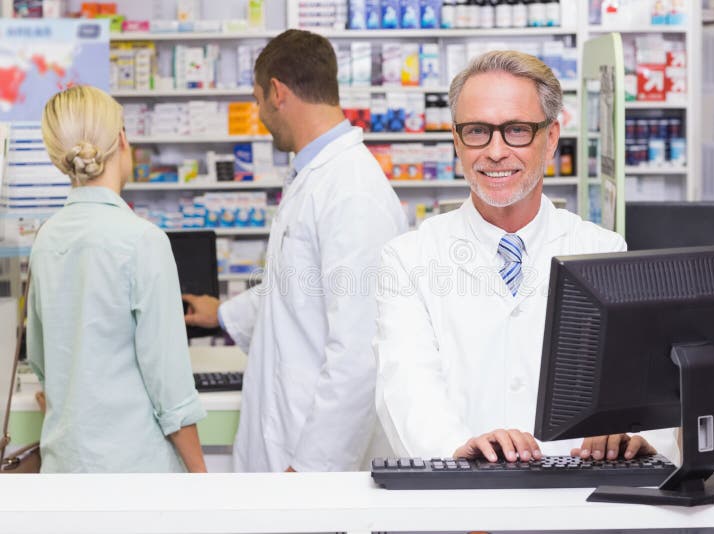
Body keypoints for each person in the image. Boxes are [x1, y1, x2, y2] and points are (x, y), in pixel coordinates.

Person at [374, 50, 678, 464]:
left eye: (516, 130)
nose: (495, 151)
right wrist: (454, 448)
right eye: (478, 131)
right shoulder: (408, 259)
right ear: (456, 141)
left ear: (551, 138)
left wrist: (636, 437)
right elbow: (405, 382)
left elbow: (645, 388)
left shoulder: (602, 251)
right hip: (461, 498)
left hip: (579, 504)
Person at [182, 29, 408, 472]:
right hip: (288, 435)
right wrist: (223, 314)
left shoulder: (352, 191)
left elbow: (361, 350)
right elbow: (300, 286)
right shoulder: (315, 176)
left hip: (310, 454)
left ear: (277, 92)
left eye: (258, 99)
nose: (260, 114)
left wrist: (311, 469)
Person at [27, 85, 207, 473]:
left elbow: (42, 362)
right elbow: (171, 392)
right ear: (122, 140)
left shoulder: (46, 239)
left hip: (64, 472)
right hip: (134, 476)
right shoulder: (143, 241)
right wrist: (203, 479)